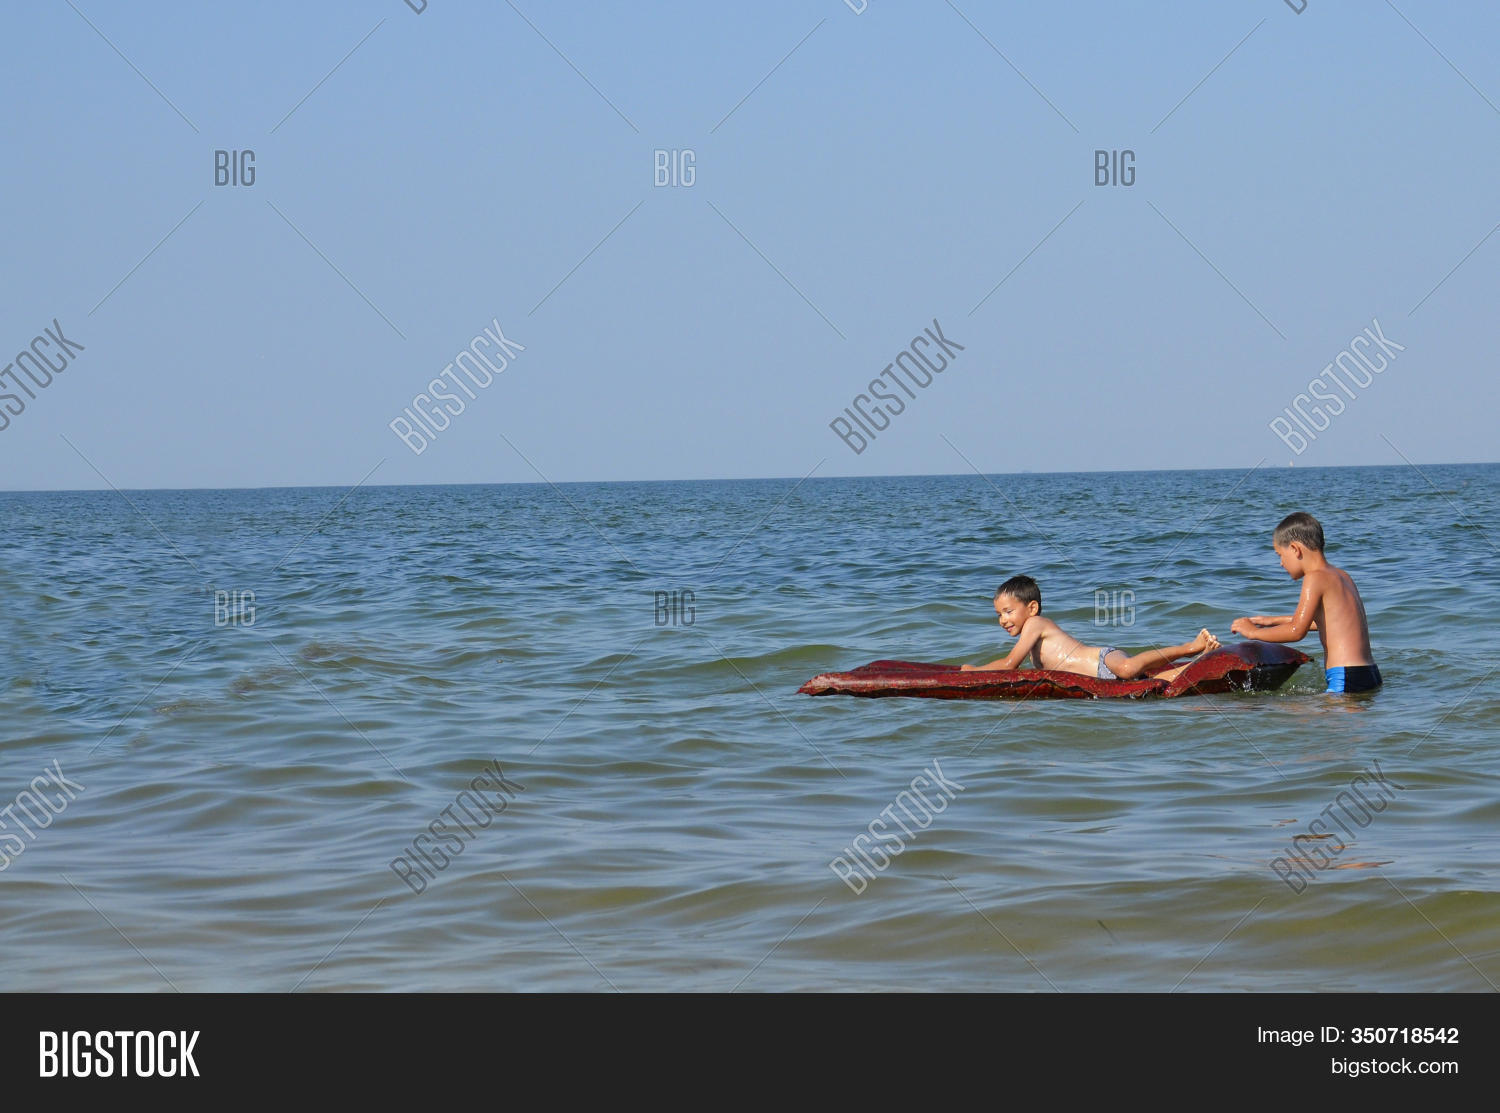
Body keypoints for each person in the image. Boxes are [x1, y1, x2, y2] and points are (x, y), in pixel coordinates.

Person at [961, 574, 1219, 681]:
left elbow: (1009, 664)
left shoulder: (1036, 623)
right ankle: (1200, 662)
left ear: (1032, 608)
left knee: (1128, 668)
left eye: (1008, 612)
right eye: (998, 614)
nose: (1002, 620)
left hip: (1103, 659)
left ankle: (1190, 647)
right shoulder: (1031, 640)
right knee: (1159, 681)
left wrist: (973, 671)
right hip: (1102, 679)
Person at [1230, 511, 1380, 692]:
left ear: (1295, 549)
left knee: (1294, 710)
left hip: (1344, 676)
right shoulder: (1342, 575)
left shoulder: (1314, 578)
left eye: (1280, 555)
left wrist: (1253, 632)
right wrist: (1273, 621)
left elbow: (1296, 631)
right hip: (1369, 672)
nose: (1281, 563)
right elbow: (1329, 622)